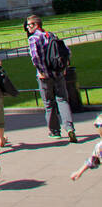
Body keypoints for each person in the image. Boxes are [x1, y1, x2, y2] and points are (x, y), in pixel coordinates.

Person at [26, 14, 77, 142]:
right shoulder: (52, 35)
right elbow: (66, 51)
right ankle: (69, 128)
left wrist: (42, 70)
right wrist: (63, 67)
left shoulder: (33, 39)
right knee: (62, 100)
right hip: (58, 73)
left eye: (29, 25)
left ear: (36, 25)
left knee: (49, 104)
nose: (27, 28)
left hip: (44, 76)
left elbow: (35, 57)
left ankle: (55, 131)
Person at [70, 114, 102, 180]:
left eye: (96, 126)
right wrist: (79, 172)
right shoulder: (99, 147)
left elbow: (93, 160)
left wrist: (79, 172)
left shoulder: (100, 146)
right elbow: (94, 159)